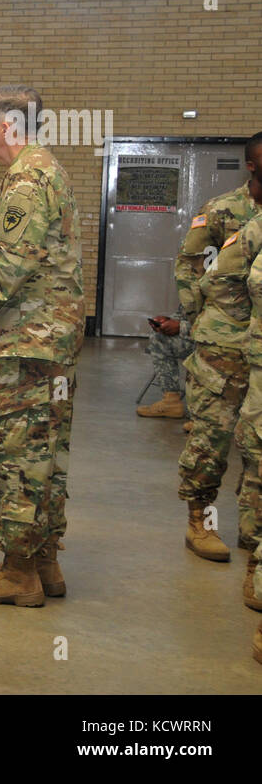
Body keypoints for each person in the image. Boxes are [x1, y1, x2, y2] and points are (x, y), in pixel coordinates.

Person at [0, 85, 83, 607]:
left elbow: (6, 271)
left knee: (15, 456)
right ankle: (45, 560)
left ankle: (18, 572)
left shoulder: (27, 178)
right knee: (48, 452)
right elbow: (13, 254)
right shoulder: (45, 170)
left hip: (24, 342)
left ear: (8, 126)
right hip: (52, 343)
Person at [172, 137, 262, 562]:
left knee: (256, 443)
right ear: (250, 165)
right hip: (222, 346)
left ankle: (254, 531)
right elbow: (189, 264)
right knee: (212, 436)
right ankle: (200, 523)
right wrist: (199, 319)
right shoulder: (223, 209)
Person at [201, 210, 262, 610]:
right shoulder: (233, 214)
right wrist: (236, 329)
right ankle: (204, 522)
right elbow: (216, 276)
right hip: (238, 349)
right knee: (232, 442)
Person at [136, 313, 192, 423]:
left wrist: (182, 326)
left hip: (222, 342)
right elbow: (185, 312)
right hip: (198, 336)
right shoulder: (192, 295)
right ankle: (171, 401)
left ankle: (204, 419)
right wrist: (167, 322)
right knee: (159, 337)